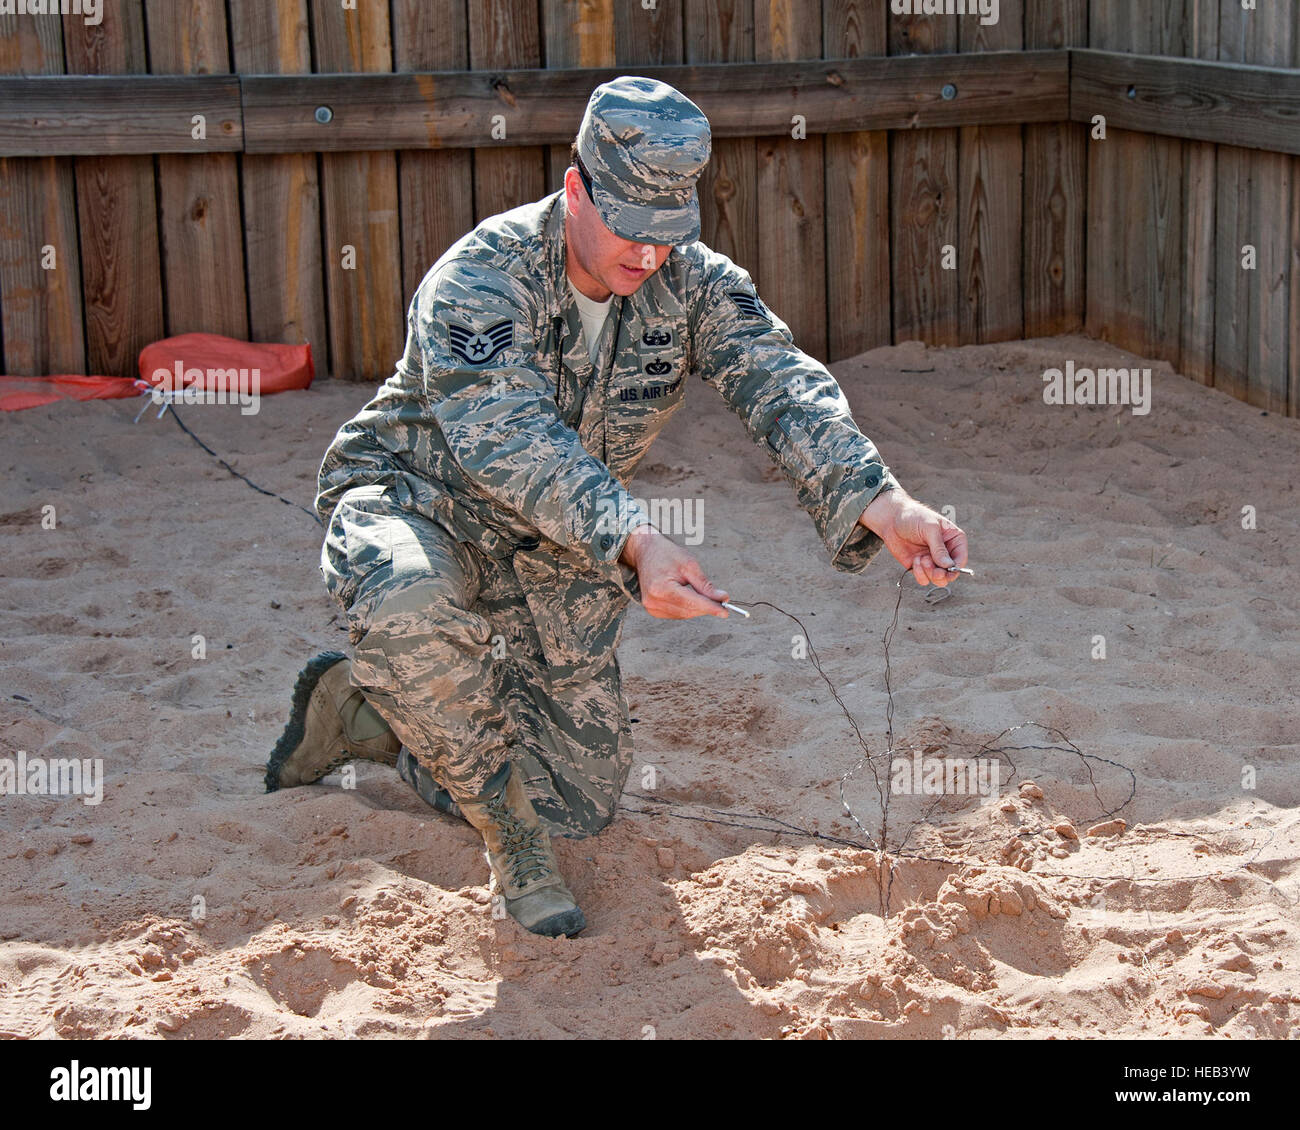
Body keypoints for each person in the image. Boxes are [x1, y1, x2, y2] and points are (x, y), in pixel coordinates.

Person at [265, 76, 968, 938]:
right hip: (422, 509)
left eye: (669, 233)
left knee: (578, 801)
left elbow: (784, 387)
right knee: (413, 607)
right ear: (575, 191)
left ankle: (373, 717)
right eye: (630, 226)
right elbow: (509, 438)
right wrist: (636, 542)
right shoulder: (481, 278)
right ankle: (510, 840)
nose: (648, 254)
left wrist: (883, 504)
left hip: (559, 546)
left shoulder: (695, 286)